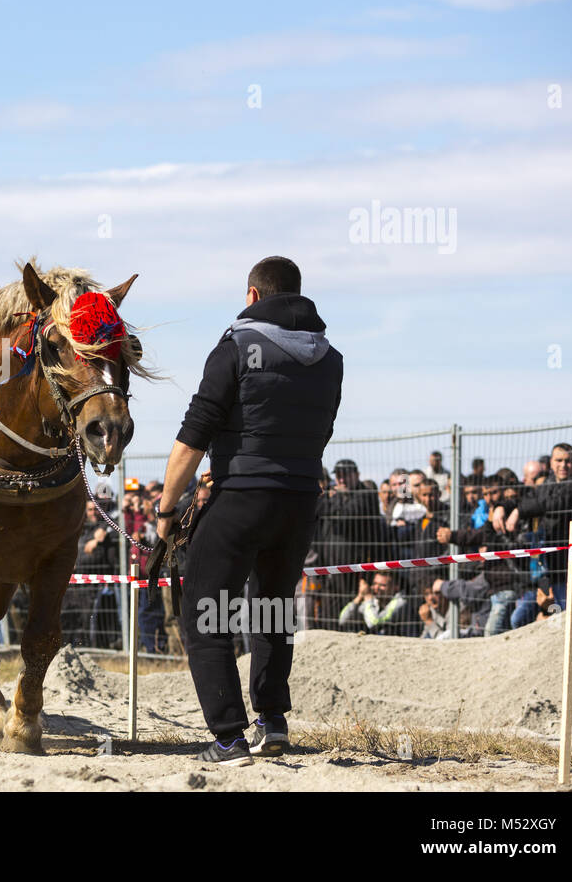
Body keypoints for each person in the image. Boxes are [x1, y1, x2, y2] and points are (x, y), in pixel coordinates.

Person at [154, 256, 342, 765]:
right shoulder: (330, 357)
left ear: (253, 296)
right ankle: (272, 721)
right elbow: (320, 431)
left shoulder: (236, 345)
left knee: (205, 612)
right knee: (272, 609)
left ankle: (228, 738)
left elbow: (193, 435)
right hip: (299, 500)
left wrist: (166, 510)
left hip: (240, 499)